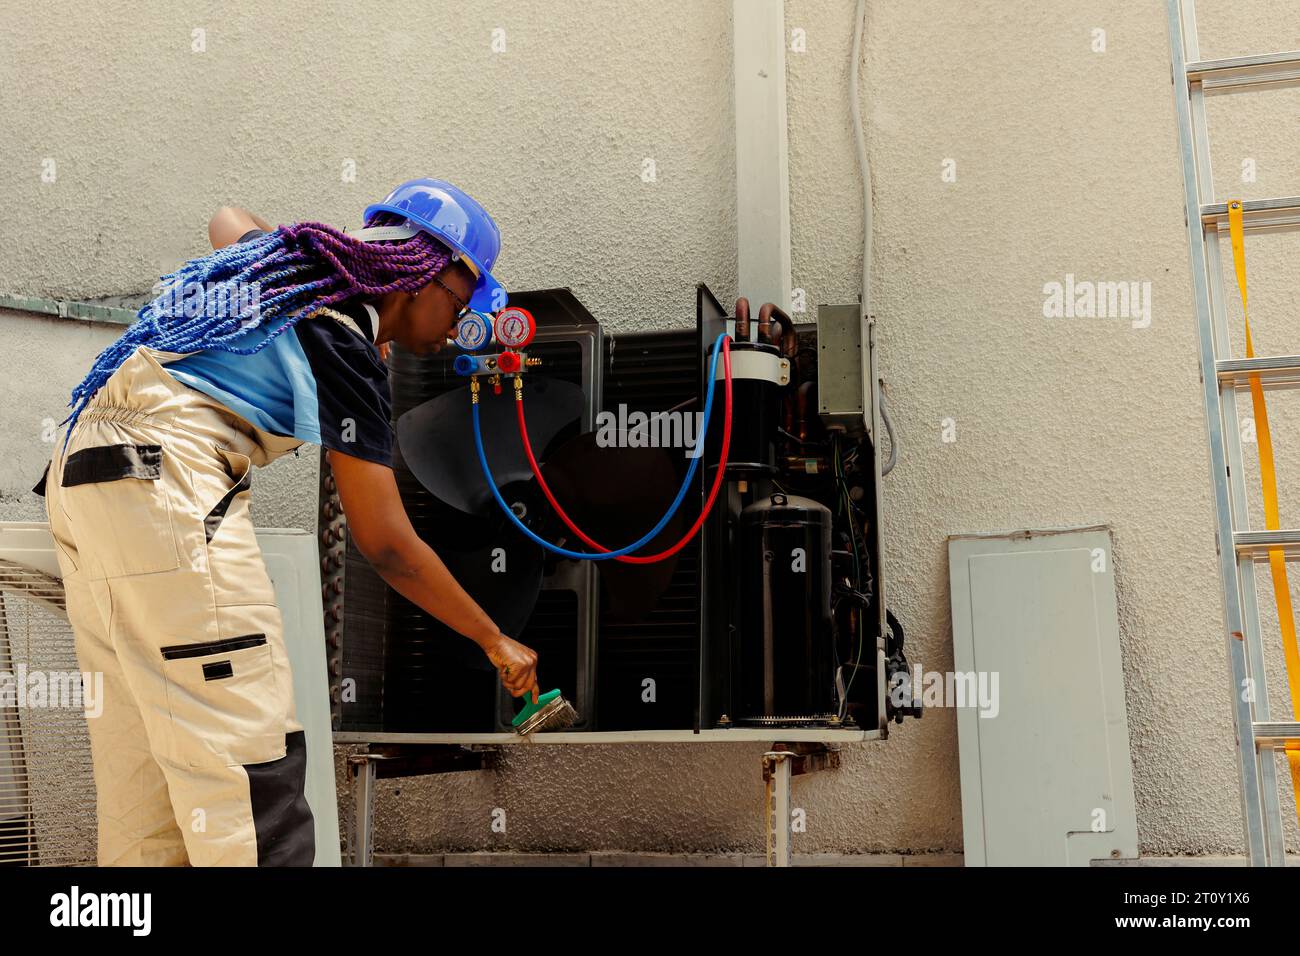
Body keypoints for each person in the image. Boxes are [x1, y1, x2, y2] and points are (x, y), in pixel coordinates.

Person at [31, 178, 541, 866]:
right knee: (249, 769)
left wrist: (322, 267)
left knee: (148, 783)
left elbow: (226, 217)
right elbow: (387, 545)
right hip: (167, 486)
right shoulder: (344, 348)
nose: (458, 325)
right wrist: (493, 639)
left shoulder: (288, 286)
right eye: (463, 299)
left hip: (84, 479)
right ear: (423, 273)